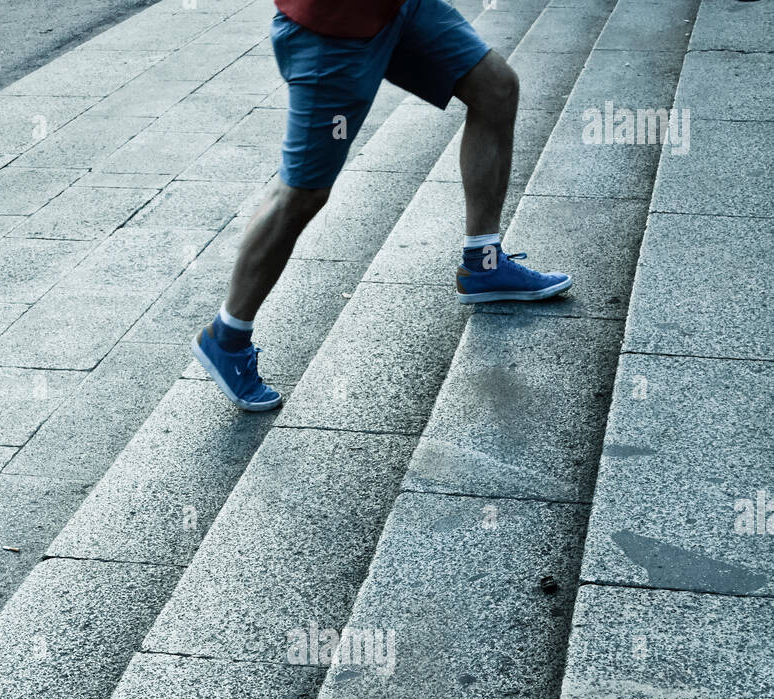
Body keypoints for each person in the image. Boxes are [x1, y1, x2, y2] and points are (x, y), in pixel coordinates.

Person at [192, 0, 571, 411]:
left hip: (399, 7)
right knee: (304, 191)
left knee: (495, 88)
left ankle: (484, 262)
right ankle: (226, 338)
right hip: (333, 27)